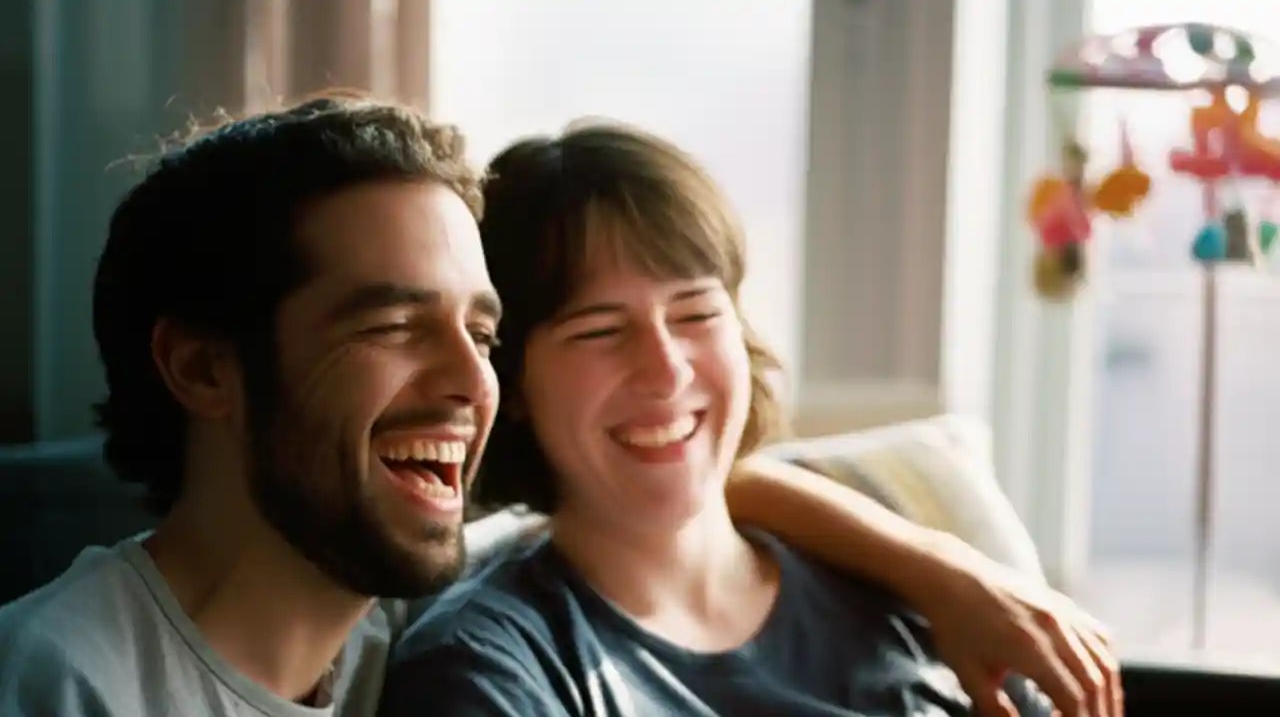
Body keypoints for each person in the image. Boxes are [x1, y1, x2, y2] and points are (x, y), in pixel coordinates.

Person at [0, 95, 1117, 717]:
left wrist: (946, 571)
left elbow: (673, 495)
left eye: (479, 332)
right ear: (203, 371)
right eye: (391, 324)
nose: (464, 382)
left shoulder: (387, 603)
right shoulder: (55, 678)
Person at [380, 121, 1114, 717]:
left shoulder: (905, 595)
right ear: (515, 383)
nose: (666, 369)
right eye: (599, 330)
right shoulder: (488, 670)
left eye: (697, 312)